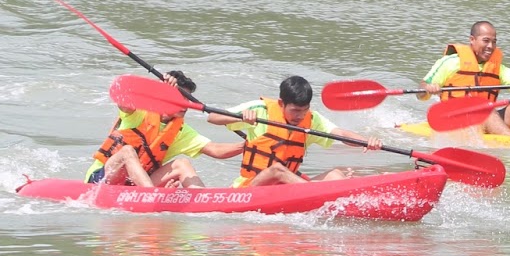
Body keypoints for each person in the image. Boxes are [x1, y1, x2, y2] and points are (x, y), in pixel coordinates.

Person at [207, 75, 383, 185]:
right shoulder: (261, 109)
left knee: (335, 174)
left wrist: (365, 141)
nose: (300, 116)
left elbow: (341, 134)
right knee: (277, 170)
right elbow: (212, 117)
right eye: (295, 111)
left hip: (287, 188)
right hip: (251, 187)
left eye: (304, 110)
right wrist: (241, 117)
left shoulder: (312, 119)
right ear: (281, 103)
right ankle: (312, 192)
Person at [84, 70, 244, 189]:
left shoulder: (180, 130)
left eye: (188, 100)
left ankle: (203, 200)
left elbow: (215, 149)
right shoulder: (139, 112)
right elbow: (123, 100)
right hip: (102, 180)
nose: (186, 104)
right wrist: (158, 88)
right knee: (127, 151)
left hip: (135, 187)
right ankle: (151, 196)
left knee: (182, 163)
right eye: (181, 98)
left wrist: (247, 145)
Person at [417, 20, 510, 137]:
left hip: (488, 121)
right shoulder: (450, 62)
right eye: (486, 41)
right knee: (485, 111)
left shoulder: (497, 67)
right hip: (458, 125)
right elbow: (420, 92)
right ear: (472, 40)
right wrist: (428, 89)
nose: (490, 46)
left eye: (494, 41)